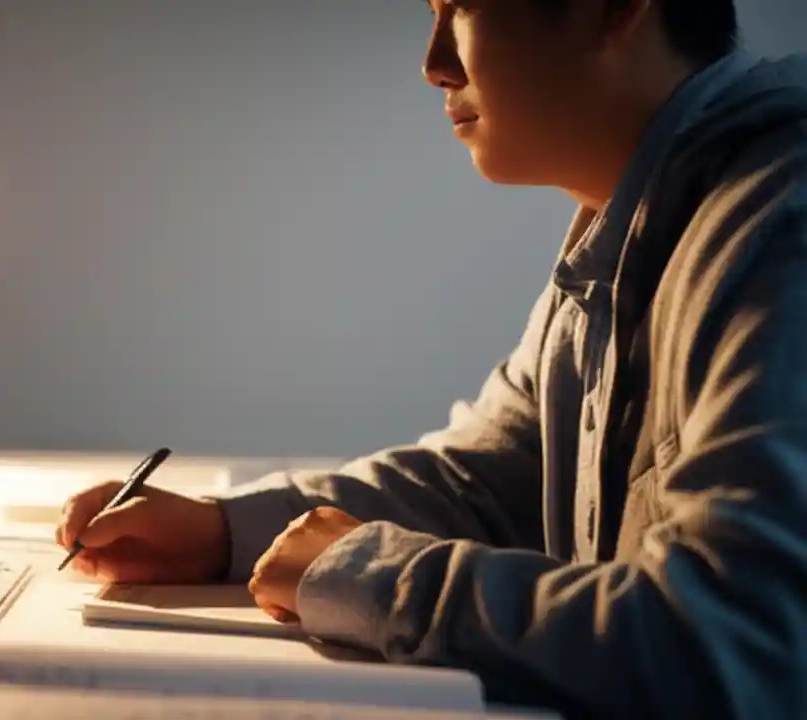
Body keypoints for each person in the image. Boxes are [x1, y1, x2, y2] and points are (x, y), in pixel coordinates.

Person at [56, 1, 807, 717]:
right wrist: (222, 532)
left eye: (464, 8)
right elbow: (482, 481)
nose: (434, 64)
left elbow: (728, 648)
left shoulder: (779, 226)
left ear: (615, 6)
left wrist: (365, 572)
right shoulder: (631, 223)